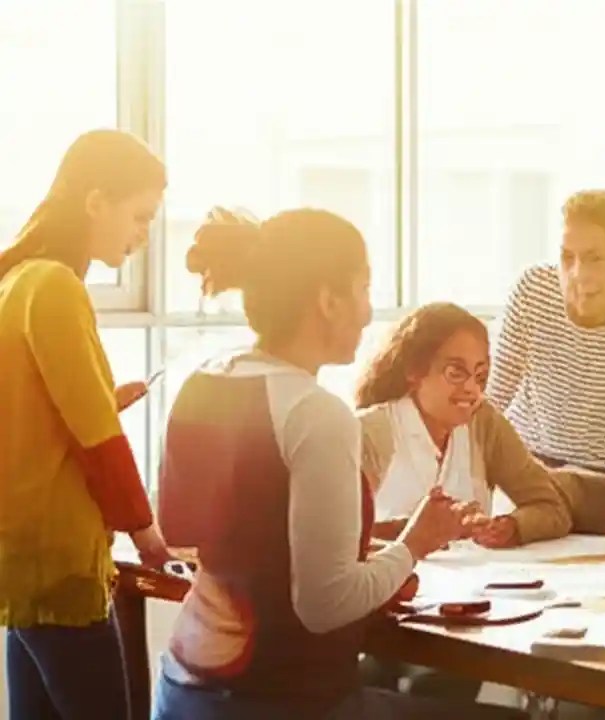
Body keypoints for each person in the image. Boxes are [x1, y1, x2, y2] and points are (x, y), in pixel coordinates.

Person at [153, 208, 524, 720]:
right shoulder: (316, 414)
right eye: (364, 289)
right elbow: (325, 605)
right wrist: (414, 543)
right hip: (279, 702)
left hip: (183, 693)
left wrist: (373, 552)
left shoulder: (204, 383)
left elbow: (212, 535)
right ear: (328, 300)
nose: (369, 313)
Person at [0, 129, 171, 720]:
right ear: (96, 201)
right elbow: (97, 438)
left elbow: (34, 420)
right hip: (62, 563)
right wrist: (147, 535)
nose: (142, 236)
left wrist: (106, 402)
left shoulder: (14, 284)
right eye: (140, 217)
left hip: (20, 564)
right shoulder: (54, 287)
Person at [488, 190, 605, 533]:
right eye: (567, 257)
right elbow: (495, 395)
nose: (578, 274)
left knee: (562, 491)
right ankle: (532, 516)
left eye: (595, 258)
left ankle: (533, 517)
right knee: (531, 487)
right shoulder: (533, 291)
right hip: (529, 467)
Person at [355, 302, 571, 547]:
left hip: (476, 581)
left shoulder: (484, 423)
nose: (472, 389)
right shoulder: (370, 432)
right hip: (396, 582)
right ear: (414, 371)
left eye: (480, 376)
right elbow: (335, 538)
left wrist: (511, 527)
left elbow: (551, 508)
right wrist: (412, 530)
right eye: (456, 372)